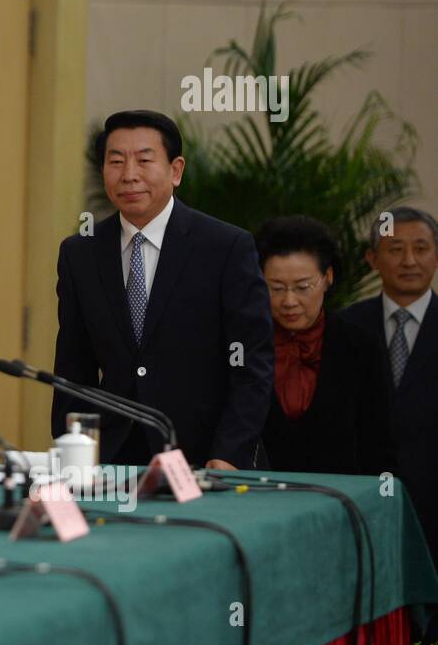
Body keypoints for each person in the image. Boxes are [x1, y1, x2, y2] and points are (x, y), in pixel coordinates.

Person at [51, 110, 274, 468]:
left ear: (176, 170)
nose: (129, 175)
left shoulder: (225, 247)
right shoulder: (81, 252)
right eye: (116, 161)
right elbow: (73, 367)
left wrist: (229, 453)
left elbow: (253, 364)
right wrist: (71, 448)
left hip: (204, 455)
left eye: (144, 160)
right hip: (113, 456)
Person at [255, 216, 393, 475]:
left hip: (341, 501)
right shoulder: (244, 344)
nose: (289, 301)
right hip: (258, 499)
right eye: (275, 288)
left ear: (327, 277)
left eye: (302, 287)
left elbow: (378, 443)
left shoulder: (359, 345)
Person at [340, 207, 438, 572]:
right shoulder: (345, 326)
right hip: (364, 500)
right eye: (395, 249)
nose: (409, 260)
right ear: (372, 258)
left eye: (421, 248)